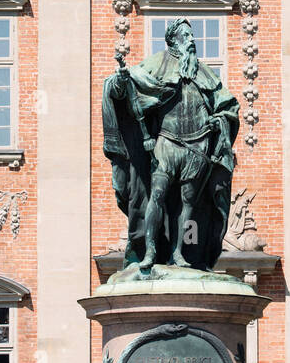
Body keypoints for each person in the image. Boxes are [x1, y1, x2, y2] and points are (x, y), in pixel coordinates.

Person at [102, 17, 239, 271]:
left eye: (192, 35)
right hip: (166, 141)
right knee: (157, 193)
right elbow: (125, 88)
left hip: (197, 147)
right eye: (186, 35)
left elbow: (226, 104)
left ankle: (178, 252)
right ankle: (151, 250)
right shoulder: (156, 64)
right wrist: (120, 82)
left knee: (189, 201)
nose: (192, 40)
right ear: (173, 40)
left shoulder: (203, 71)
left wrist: (220, 121)